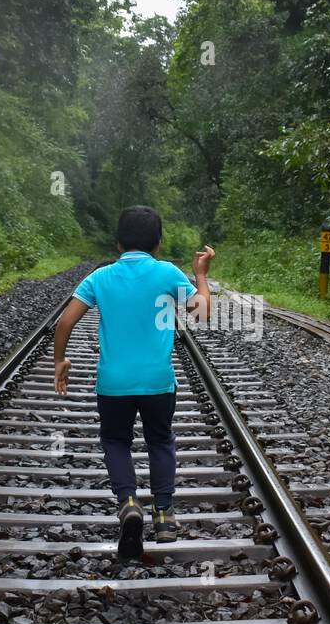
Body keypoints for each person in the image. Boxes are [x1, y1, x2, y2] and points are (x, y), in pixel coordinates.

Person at [53, 206, 215, 560]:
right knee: (160, 440)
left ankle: (128, 502)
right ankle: (164, 515)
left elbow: (63, 324)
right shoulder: (168, 273)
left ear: (118, 242)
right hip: (158, 382)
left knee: (114, 441)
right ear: (158, 243)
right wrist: (201, 275)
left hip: (113, 384)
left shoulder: (100, 278)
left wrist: (60, 360)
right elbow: (202, 311)